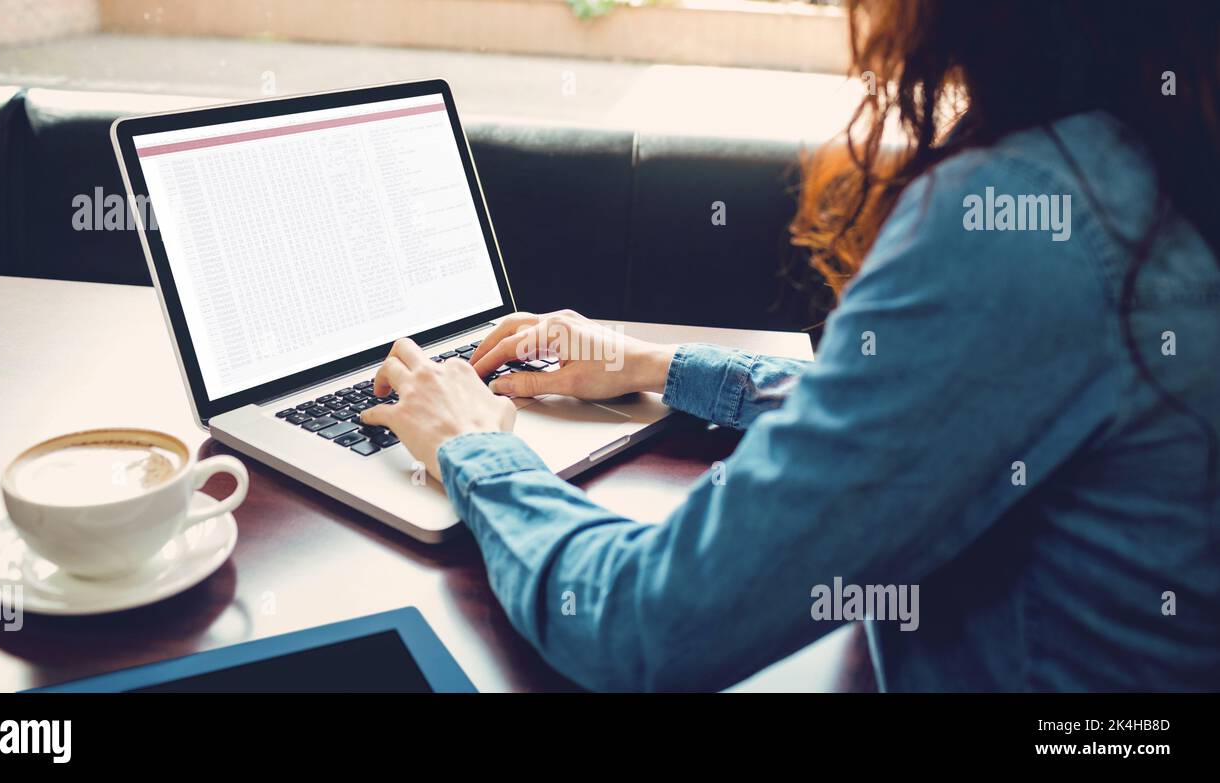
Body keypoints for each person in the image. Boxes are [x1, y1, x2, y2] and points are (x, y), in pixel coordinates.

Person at [359, 0, 1220, 691]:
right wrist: (657, 366)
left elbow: (642, 626)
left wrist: (474, 449)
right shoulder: (1162, 158)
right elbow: (937, 410)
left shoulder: (1024, 218)